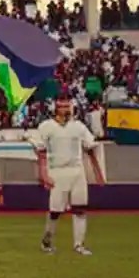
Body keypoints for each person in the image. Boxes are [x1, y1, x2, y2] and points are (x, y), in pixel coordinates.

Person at [33, 97, 105, 256]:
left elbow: (90, 148)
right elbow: (40, 151)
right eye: (63, 106)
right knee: (55, 210)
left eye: (68, 106)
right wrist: (43, 173)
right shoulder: (46, 127)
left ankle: (79, 245)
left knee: (80, 209)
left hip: (77, 170)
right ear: (56, 108)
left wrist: (97, 172)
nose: (67, 109)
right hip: (57, 171)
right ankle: (47, 240)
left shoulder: (78, 127)